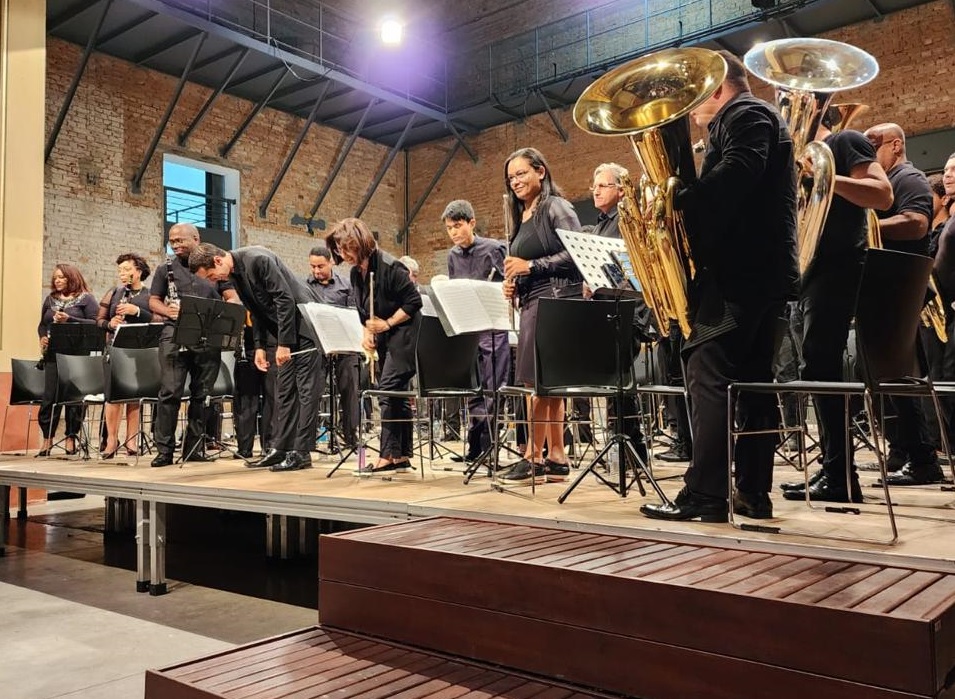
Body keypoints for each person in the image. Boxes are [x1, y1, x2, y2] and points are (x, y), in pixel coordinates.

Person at [640, 50, 799, 522]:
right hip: (760, 275)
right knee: (752, 384)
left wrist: (681, 204)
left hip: (738, 276)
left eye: (692, 103)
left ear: (715, 89)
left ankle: (706, 494)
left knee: (707, 372)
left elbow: (738, 175)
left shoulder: (745, 112)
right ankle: (752, 492)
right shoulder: (756, 114)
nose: (690, 115)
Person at [778, 111, 893, 503]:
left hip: (839, 262)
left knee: (821, 362)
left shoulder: (845, 141)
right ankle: (834, 471)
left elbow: (882, 194)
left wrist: (823, 177)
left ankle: (841, 477)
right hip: (808, 270)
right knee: (813, 366)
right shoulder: (796, 159)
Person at [190, 244, 322, 472]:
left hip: (304, 328)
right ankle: (280, 448)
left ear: (218, 261)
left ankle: (301, 452)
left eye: (211, 276)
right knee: (284, 392)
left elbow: (284, 299)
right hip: (282, 332)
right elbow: (256, 310)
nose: (213, 281)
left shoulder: (258, 259)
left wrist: (284, 344)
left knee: (305, 392)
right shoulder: (236, 273)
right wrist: (260, 346)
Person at [862, 123, 943, 486]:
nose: (868, 152)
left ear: (896, 145)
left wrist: (868, 229)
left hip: (902, 285)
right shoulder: (887, 178)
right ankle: (900, 453)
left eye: (874, 145)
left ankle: (924, 460)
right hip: (885, 285)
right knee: (884, 376)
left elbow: (917, 223)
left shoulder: (907, 178)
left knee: (900, 376)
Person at [501, 146, 584, 484]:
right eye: (511, 177)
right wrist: (515, 286)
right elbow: (523, 268)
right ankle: (558, 457)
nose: (516, 181)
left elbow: (577, 252)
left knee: (537, 383)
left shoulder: (556, 206)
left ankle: (533, 456)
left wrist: (531, 265)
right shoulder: (520, 215)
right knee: (547, 386)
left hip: (556, 300)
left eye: (521, 173)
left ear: (541, 171)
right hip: (535, 300)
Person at [326, 218, 423, 473]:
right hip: (385, 338)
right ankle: (401, 455)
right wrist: (367, 330)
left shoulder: (392, 267)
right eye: (339, 249)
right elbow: (363, 310)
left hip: (405, 336)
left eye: (348, 248)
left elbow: (414, 302)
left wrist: (388, 323)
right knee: (397, 394)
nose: (343, 254)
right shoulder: (355, 273)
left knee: (389, 388)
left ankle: (388, 455)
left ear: (360, 243)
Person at [148, 223, 238, 467]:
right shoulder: (164, 268)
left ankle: (194, 448)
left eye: (180, 240)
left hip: (207, 336)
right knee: (170, 392)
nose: (176, 245)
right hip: (173, 334)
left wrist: (224, 310)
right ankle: (164, 451)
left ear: (196, 238)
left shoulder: (213, 266)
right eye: (172, 241)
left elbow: (231, 297)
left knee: (202, 395)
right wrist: (169, 311)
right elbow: (153, 300)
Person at [589, 162, 653, 465]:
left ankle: (633, 447)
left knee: (623, 384)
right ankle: (620, 447)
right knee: (611, 384)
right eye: (594, 185)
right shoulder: (600, 224)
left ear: (620, 189)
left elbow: (635, 270)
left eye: (603, 185)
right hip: (606, 311)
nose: (595, 190)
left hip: (629, 310)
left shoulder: (626, 219)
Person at [443, 199, 511, 463]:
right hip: (468, 331)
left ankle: (491, 448)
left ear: (471, 223)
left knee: (494, 390)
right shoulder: (452, 256)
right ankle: (474, 449)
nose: (454, 233)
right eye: (449, 228)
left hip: (493, 328)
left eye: (458, 226)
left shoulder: (494, 249)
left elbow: (509, 285)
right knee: (473, 391)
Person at [96, 253, 159, 458]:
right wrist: (110, 324)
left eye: (126, 269)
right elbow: (99, 320)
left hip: (139, 352)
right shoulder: (114, 292)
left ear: (138, 271)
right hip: (115, 349)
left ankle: (132, 441)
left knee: (134, 396)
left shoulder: (150, 295)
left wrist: (137, 311)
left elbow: (159, 320)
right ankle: (112, 440)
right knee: (113, 396)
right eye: (120, 270)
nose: (122, 274)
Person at [36, 264, 100, 456]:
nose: (57, 280)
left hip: (76, 355)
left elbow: (96, 323)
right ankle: (47, 439)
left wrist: (70, 320)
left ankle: (71, 438)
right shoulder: (50, 299)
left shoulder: (86, 299)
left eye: (62, 277)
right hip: (53, 354)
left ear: (72, 278)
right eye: (55, 277)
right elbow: (41, 324)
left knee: (74, 399)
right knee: (49, 397)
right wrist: (42, 337)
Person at [306, 245, 361, 449]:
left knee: (350, 391)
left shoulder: (346, 285)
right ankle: (308, 439)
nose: (316, 271)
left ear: (330, 262)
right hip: (318, 348)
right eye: (313, 266)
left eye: (320, 266)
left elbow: (354, 315)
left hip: (345, 346)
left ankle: (350, 438)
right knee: (312, 391)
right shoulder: (306, 286)